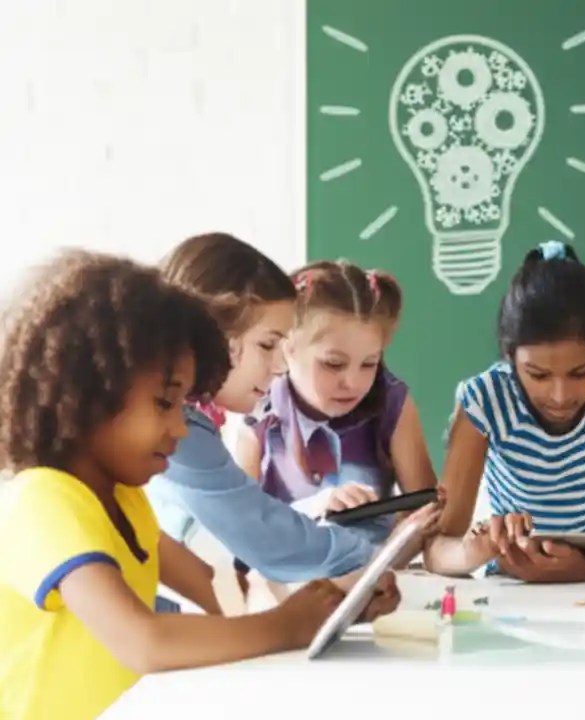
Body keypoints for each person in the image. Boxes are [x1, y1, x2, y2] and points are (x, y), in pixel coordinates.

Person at [0, 251, 397, 720]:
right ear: (91, 393)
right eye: (166, 403)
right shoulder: (42, 500)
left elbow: (217, 593)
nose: (182, 428)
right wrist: (286, 626)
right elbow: (144, 641)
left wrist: (337, 606)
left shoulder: (124, 500)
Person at [145, 233, 435, 583]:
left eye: (369, 364)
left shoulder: (180, 419)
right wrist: (373, 560)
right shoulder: (182, 430)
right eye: (268, 345)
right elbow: (257, 533)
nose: (279, 366)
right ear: (212, 334)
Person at [438, 241, 585, 582]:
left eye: (580, 373)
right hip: (511, 590)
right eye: (538, 375)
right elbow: (437, 549)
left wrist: (582, 569)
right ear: (509, 356)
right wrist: (471, 552)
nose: (561, 396)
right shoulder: (483, 398)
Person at [238, 261, 436, 538]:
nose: (353, 382)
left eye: (369, 364)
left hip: (373, 571)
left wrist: (386, 555)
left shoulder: (393, 403)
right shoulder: (257, 410)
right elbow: (240, 527)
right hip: (286, 575)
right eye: (333, 364)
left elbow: (427, 516)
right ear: (287, 347)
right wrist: (312, 507)